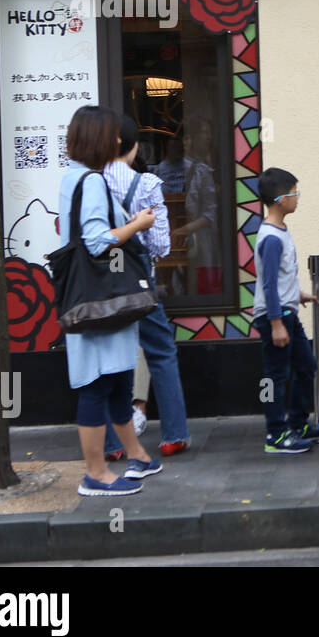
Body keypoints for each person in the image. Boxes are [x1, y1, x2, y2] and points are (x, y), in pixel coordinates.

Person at [58, 106, 162, 496]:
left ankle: (139, 458)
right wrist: (138, 223)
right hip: (101, 299)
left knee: (117, 379)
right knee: (97, 386)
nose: (118, 141)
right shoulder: (93, 182)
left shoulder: (73, 177)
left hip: (94, 298)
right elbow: (97, 240)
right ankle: (96, 474)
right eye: (112, 135)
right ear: (98, 139)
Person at [102, 115, 191, 461]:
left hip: (104, 279)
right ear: (135, 145)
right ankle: (173, 435)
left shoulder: (90, 182)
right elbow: (160, 244)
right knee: (161, 351)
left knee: (109, 355)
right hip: (139, 278)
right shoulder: (148, 184)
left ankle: (112, 444)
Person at [254, 167, 319, 454]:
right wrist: (275, 323)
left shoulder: (280, 232)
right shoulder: (271, 238)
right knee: (274, 375)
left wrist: (297, 295)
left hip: (285, 313)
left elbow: (281, 279)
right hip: (275, 317)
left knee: (306, 366)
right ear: (280, 199)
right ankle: (275, 432)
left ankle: (297, 423)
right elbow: (269, 284)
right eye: (294, 192)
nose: (297, 198)